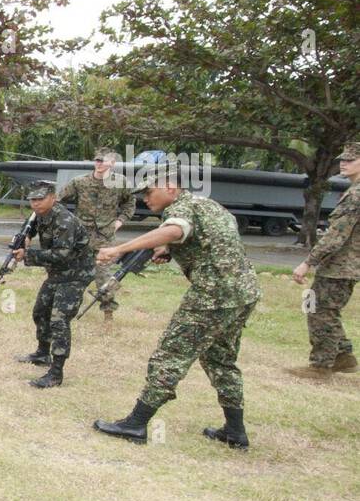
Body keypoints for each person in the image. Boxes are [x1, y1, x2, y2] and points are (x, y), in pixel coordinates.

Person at [93, 165, 261, 448]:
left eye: (149, 191)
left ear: (170, 188)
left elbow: (175, 229)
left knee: (170, 355)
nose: (146, 199)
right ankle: (235, 431)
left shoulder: (178, 210)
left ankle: (135, 424)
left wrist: (119, 249)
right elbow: (209, 241)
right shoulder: (207, 205)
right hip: (243, 292)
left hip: (212, 297)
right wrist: (170, 250)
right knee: (221, 360)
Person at [12, 181, 95, 388]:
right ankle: (42, 353)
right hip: (57, 273)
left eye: (40, 199)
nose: (36, 204)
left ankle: (56, 373)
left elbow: (61, 255)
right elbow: (29, 229)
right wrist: (24, 238)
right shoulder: (38, 216)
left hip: (76, 274)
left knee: (59, 320)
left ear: (53, 198)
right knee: (40, 311)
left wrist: (28, 255)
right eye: (32, 200)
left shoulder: (64, 220)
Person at [290, 140, 360, 377]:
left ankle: (321, 366)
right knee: (324, 308)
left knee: (316, 308)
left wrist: (308, 262)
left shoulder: (355, 195)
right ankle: (343, 356)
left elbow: (336, 236)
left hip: (340, 266)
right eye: (342, 159)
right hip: (344, 265)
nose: (344, 164)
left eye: (350, 160)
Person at [58, 148, 135, 321]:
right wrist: (68, 222)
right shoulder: (80, 182)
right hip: (81, 237)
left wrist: (119, 221)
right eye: (97, 160)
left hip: (105, 237)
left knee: (103, 275)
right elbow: (58, 200)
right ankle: (66, 308)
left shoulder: (120, 182)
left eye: (104, 161)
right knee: (73, 272)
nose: (100, 164)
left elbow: (130, 204)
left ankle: (108, 312)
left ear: (112, 163)